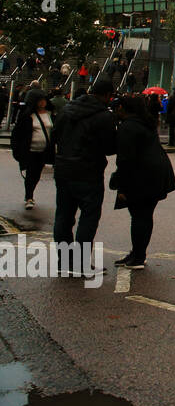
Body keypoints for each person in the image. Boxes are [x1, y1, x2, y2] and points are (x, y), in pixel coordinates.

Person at [51, 79, 118, 268]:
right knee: (88, 217)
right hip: (89, 171)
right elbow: (110, 148)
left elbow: (54, 136)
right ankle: (80, 262)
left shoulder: (67, 110)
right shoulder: (104, 116)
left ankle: (64, 261)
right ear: (106, 95)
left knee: (63, 215)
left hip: (64, 168)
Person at [110, 94, 175, 269]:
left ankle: (138, 256)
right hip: (157, 172)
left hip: (141, 175)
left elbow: (125, 159)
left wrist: (122, 186)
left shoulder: (127, 127)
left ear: (123, 108)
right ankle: (138, 253)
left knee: (139, 217)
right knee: (145, 216)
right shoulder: (146, 123)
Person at [12, 91, 56, 208]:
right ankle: (29, 197)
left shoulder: (49, 114)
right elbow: (17, 134)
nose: (42, 102)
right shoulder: (27, 115)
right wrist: (17, 150)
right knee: (31, 174)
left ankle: (30, 194)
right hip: (30, 150)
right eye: (40, 100)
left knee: (37, 174)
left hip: (44, 150)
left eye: (44, 100)